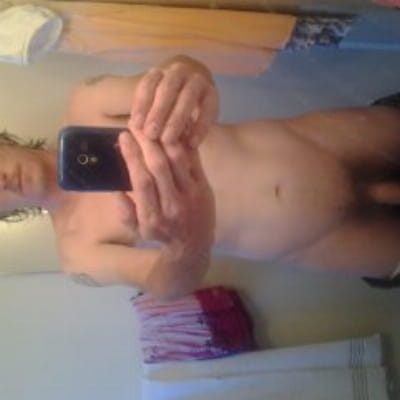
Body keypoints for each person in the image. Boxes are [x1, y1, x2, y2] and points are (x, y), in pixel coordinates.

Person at [1, 55, 400, 299]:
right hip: (326, 242)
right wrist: (184, 245)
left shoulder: (88, 101)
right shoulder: (78, 255)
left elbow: (179, 71)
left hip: (331, 142)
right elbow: (166, 286)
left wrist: (190, 77)